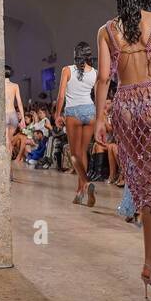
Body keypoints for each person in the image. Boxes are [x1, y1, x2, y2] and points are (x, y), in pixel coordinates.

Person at [94, 0, 151, 300]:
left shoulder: (106, 30)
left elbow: (103, 79)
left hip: (125, 105)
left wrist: (101, 118)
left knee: (143, 184)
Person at [53, 41, 98, 205]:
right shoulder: (95, 72)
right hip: (90, 111)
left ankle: (86, 183)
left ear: (76, 55)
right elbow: (97, 95)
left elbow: (61, 95)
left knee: (73, 155)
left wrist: (57, 114)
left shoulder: (67, 70)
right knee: (83, 153)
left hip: (73, 112)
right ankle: (80, 193)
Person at [4, 66, 23, 178]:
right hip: (13, 115)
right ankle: (10, 169)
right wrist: (23, 119)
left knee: (6, 142)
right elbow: (19, 102)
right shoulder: (15, 86)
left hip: (4, 115)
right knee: (10, 143)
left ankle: (8, 170)